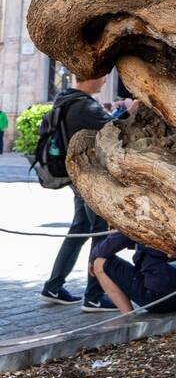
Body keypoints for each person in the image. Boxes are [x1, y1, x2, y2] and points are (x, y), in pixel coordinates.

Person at [39, 76, 119, 309]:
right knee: (99, 231)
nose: (104, 81)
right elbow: (116, 129)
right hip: (89, 180)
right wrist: (131, 111)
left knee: (80, 228)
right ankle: (94, 296)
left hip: (77, 178)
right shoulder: (84, 106)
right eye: (102, 76)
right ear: (90, 78)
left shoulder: (65, 100)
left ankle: (53, 286)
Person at [89, 233, 176, 315]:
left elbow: (111, 244)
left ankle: (128, 317)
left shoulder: (143, 214)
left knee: (99, 262)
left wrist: (92, 258)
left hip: (159, 299)